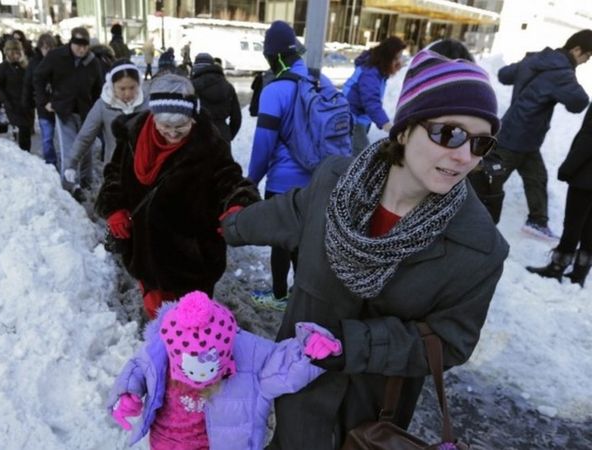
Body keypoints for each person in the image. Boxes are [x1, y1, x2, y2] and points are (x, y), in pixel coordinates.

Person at [221, 50, 508, 450]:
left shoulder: (478, 248)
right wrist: (226, 224)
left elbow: (451, 340)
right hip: (297, 397)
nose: (463, 157)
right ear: (405, 128)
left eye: (480, 143)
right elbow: (288, 213)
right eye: (449, 133)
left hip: (369, 423)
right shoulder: (334, 181)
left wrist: (352, 346)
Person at [95, 74, 260, 319]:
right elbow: (114, 176)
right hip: (145, 250)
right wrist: (114, 208)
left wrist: (237, 206)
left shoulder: (209, 143)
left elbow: (231, 179)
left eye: (180, 127)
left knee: (192, 323)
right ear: (153, 117)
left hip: (191, 259)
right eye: (166, 127)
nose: (172, 133)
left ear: (193, 117)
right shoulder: (132, 136)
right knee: (159, 318)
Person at [108, 291, 341, 449]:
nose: (201, 379)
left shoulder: (248, 355)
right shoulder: (161, 350)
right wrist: (128, 394)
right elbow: (139, 368)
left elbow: (281, 363)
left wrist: (307, 350)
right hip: (166, 442)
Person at [247, 21, 341, 310]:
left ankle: (279, 296)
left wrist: (251, 179)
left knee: (281, 240)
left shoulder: (275, 91)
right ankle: (304, 298)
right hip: (319, 179)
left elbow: (264, 144)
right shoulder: (321, 82)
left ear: (272, 57)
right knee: (307, 242)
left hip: (283, 182)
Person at [489, 29, 591, 239]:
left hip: (521, 135)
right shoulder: (562, 72)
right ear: (577, 49)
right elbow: (579, 102)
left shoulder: (536, 59)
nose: (587, 61)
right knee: (490, 181)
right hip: (517, 138)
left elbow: (504, 75)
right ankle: (465, 216)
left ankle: (537, 220)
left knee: (536, 177)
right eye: (588, 56)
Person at [527, 105, 592, 287]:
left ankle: (557, 267)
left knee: (573, 223)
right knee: (589, 228)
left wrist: (568, 168)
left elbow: (588, 138)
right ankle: (580, 272)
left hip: (586, 177)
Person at [34, 26, 103, 193]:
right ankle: (70, 185)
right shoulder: (56, 56)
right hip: (64, 109)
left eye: (85, 46)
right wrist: (44, 101)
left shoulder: (92, 62)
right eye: (79, 45)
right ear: (71, 42)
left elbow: (98, 88)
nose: (82, 49)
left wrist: (96, 109)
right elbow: (38, 77)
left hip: (86, 111)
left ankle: (86, 181)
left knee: (87, 147)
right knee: (69, 147)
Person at [64, 59, 146, 192]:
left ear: (139, 84)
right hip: (114, 168)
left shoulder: (147, 103)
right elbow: (85, 137)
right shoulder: (103, 105)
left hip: (144, 168)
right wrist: (72, 163)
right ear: (112, 86)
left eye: (132, 87)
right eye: (122, 88)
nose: (128, 93)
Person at [344, 36, 407, 154]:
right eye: (396, 58)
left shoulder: (377, 71)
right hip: (352, 118)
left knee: (355, 153)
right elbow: (371, 102)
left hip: (358, 118)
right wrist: (386, 124)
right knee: (361, 156)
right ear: (387, 58)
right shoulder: (370, 74)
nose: (399, 61)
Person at [23, 33, 58, 168]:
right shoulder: (34, 63)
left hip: (59, 105)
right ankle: (51, 163)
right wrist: (28, 104)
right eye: (45, 48)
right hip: (43, 106)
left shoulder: (59, 61)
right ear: (40, 48)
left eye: (50, 48)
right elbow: (28, 83)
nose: (47, 51)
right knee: (47, 138)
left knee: (63, 139)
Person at [190, 52, 242, 144]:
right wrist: (228, 135)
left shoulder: (190, 87)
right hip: (222, 134)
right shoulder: (228, 86)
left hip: (197, 135)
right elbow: (236, 118)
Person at [0, 39, 32, 151]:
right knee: (20, 130)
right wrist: (5, 100)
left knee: (26, 131)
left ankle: (26, 154)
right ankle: (21, 153)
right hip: (12, 103)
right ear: (7, 53)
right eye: (13, 53)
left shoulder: (25, 65)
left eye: (18, 52)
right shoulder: (3, 67)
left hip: (26, 104)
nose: (15, 55)